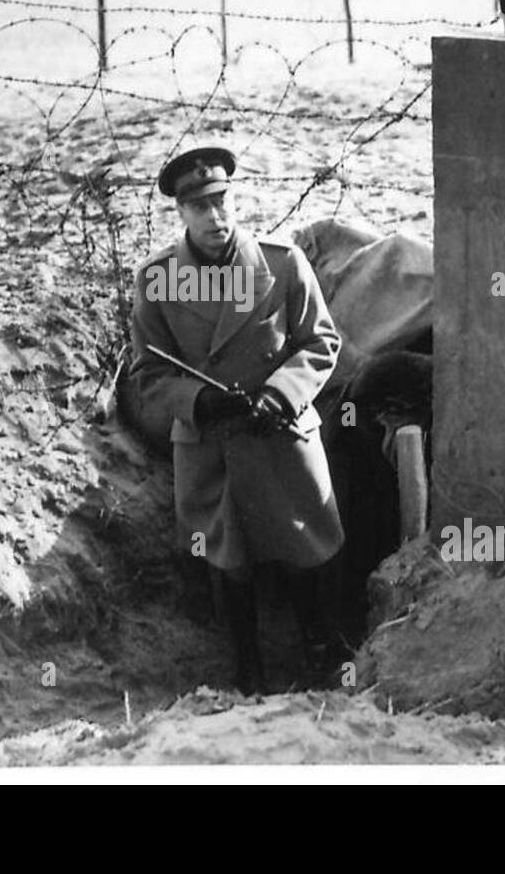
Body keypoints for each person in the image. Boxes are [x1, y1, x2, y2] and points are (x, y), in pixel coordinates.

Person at [129, 147, 346, 692]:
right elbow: (148, 374)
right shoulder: (158, 280)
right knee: (226, 557)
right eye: (199, 206)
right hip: (211, 443)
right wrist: (199, 402)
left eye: (222, 201)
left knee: (304, 544)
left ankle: (322, 651)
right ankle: (246, 672)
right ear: (179, 211)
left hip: (280, 434)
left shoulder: (281, 263)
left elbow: (320, 341)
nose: (215, 217)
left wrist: (280, 393)